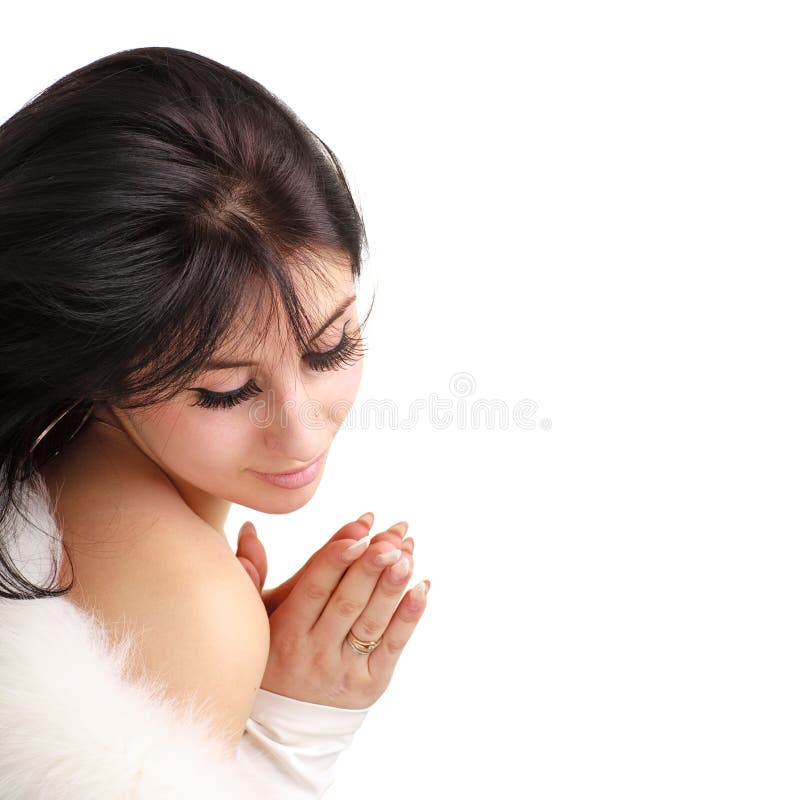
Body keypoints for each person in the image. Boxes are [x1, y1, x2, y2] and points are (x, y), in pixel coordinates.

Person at [0, 46, 430, 798]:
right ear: (91, 364)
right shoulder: (199, 612)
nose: (301, 432)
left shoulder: (44, 467)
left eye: (330, 345)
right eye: (226, 392)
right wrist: (290, 742)